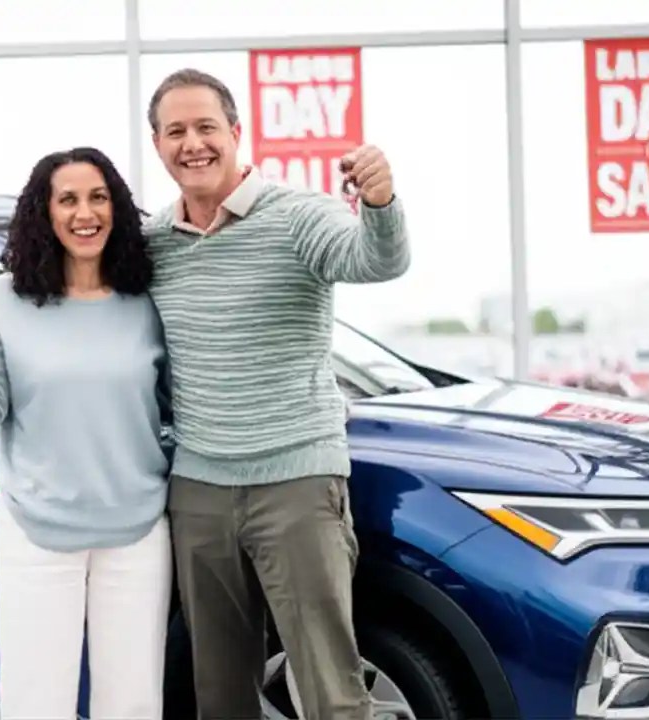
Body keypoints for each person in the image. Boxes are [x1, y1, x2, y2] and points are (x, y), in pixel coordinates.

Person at [144, 68, 410, 720]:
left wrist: (380, 203)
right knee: (222, 696)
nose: (193, 143)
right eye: (175, 131)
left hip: (295, 483)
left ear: (235, 133)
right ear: (158, 145)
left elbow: (376, 261)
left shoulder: (297, 216)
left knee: (331, 691)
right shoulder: (152, 245)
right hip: (199, 490)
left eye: (206, 127)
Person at [0, 146, 172, 720]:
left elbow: (177, 406)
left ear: (118, 209)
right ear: (45, 213)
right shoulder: (6, 298)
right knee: (37, 705)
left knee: (132, 705)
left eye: (99, 197)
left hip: (137, 531)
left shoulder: (147, 299)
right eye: (69, 199)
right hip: (36, 530)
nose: (86, 213)